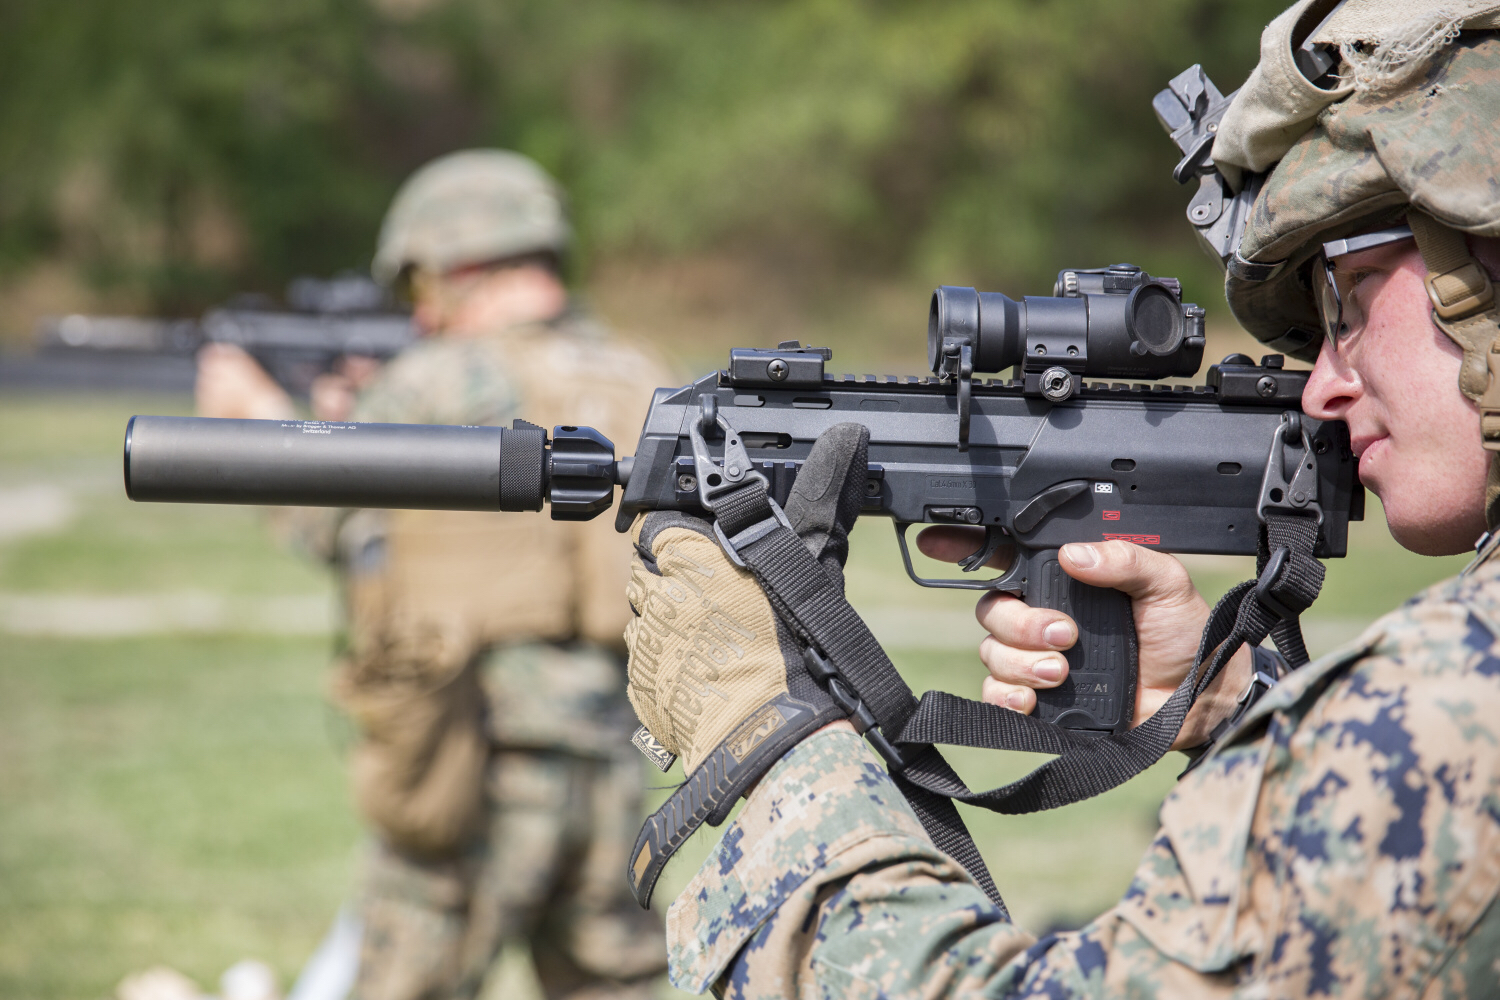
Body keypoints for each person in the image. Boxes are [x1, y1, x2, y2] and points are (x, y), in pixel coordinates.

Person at [620, 5, 1500, 996]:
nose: (1320, 387)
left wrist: (768, 734)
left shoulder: (1455, 697)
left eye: (1353, 302)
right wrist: (1223, 708)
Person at [197, 150, 670, 1000]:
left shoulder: (431, 381)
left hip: (472, 751)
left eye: (420, 285)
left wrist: (259, 420)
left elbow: (325, 522)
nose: (418, 313)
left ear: (462, 268)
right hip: (613, 755)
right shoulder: (644, 375)